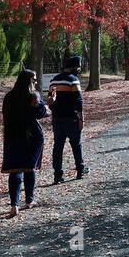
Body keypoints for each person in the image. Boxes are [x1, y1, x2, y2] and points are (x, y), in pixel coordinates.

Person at [2, 70, 49, 216]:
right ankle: (29, 200)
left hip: (12, 135)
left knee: (15, 170)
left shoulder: (8, 97)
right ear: (29, 81)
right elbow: (41, 114)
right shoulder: (33, 96)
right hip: (31, 136)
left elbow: (5, 115)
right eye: (34, 80)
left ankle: (14, 204)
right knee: (30, 168)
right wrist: (49, 104)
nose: (35, 82)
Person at [48, 55, 88, 183]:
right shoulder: (73, 80)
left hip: (57, 119)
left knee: (58, 147)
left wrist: (54, 111)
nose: (79, 70)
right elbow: (79, 101)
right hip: (72, 118)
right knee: (76, 145)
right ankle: (80, 170)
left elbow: (50, 100)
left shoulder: (54, 80)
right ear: (74, 67)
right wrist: (81, 119)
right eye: (79, 67)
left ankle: (57, 175)